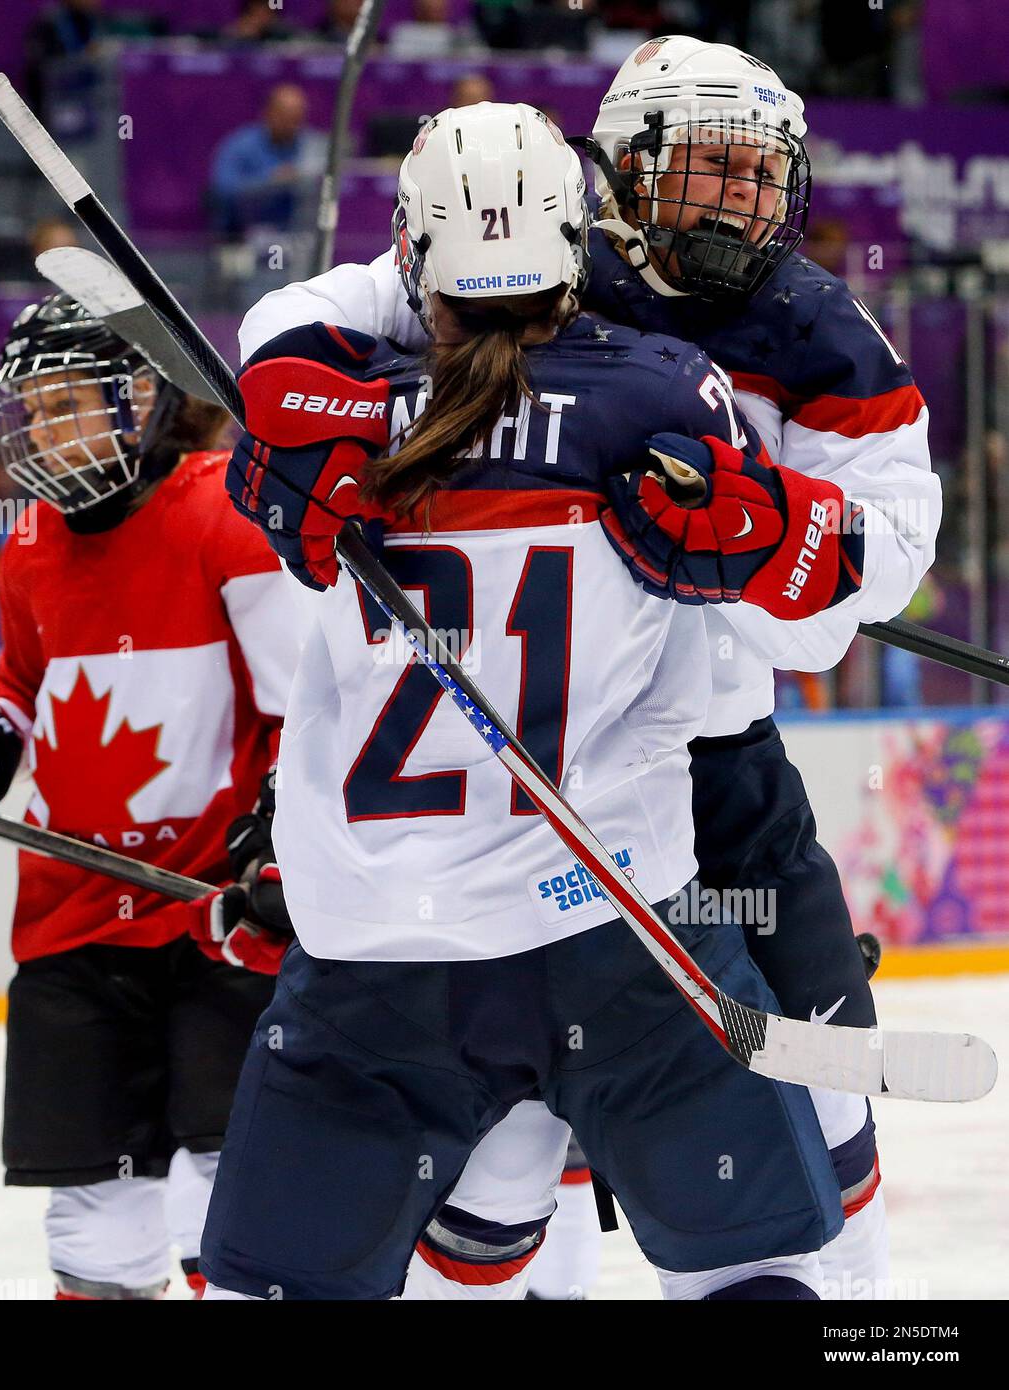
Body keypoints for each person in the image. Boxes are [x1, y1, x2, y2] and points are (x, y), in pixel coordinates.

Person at [234, 39, 940, 1300]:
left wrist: (781, 540)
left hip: (717, 784)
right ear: (622, 172)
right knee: (517, 1146)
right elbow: (310, 315)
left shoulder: (819, 331)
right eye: (709, 169)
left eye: (757, 175)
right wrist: (293, 389)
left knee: (826, 1118)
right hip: (564, 789)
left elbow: (886, 547)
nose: (738, 202)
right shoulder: (545, 249)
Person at [0, 295, 299, 1300]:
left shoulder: (224, 515)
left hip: (212, 919)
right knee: (92, 1222)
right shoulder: (29, 545)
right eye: (36, 411)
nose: (52, 432)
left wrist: (284, 838)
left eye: (75, 404)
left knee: (222, 1193)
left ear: (148, 399)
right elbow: (25, 692)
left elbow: (301, 708)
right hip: (75, 925)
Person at [208, 84, 325, 241]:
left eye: (296, 119)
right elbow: (223, 191)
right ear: (269, 112)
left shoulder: (311, 145)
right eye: (285, 117)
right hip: (242, 236)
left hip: (296, 237)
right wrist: (271, 180)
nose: (291, 125)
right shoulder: (240, 145)